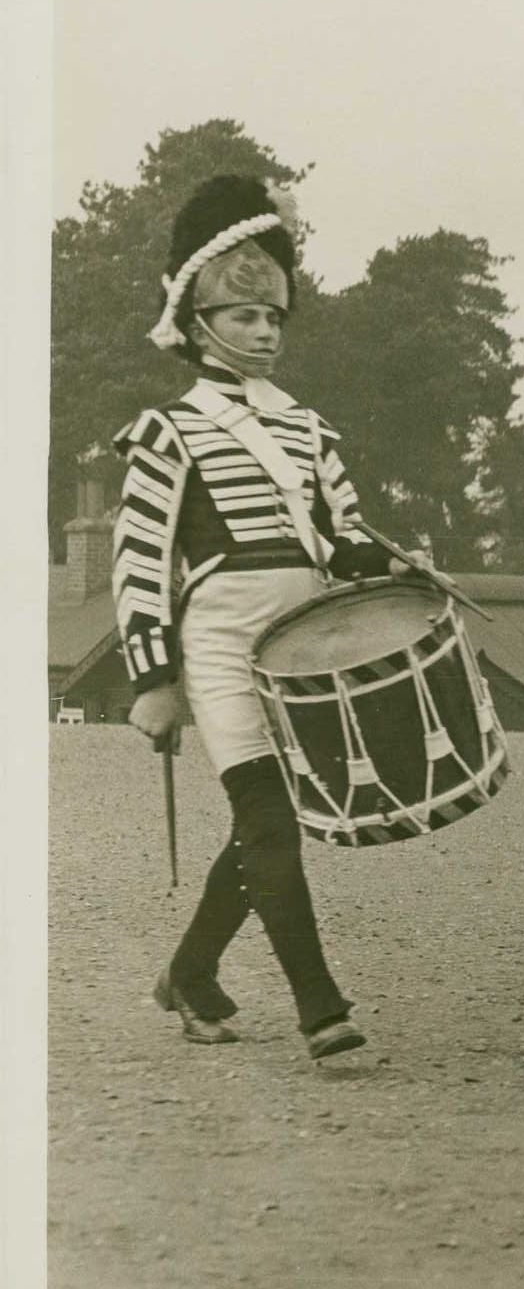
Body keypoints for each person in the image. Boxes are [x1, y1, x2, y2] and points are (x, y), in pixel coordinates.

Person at [117, 175, 394, 1060]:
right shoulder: (168, 430)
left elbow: (344, 535)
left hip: (303, 645)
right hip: (221, 645)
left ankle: (191, 972)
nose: (264, 332)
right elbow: (139, 563)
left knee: (263, 828)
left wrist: (371, 558)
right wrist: (154, 678)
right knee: (270, 821)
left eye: (273, 317)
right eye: (243, 317)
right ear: (197, 324)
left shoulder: (310, 430)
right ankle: (323, 1010)